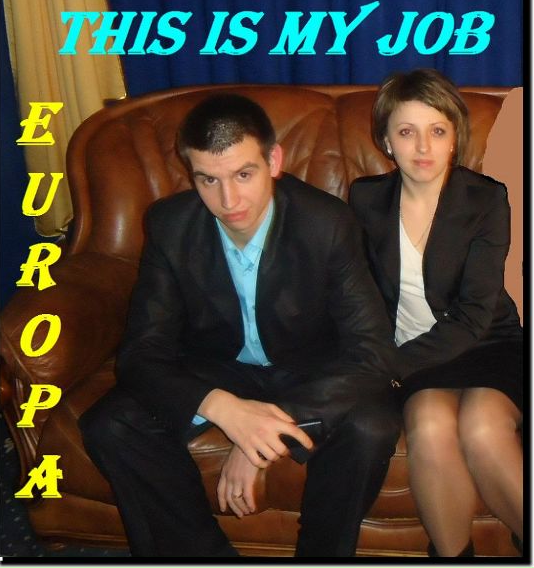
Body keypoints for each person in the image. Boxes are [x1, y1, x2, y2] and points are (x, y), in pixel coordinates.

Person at [79, 93, 401, 558]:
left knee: (372, 426)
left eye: (243, 175)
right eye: (208, 179)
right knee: (110, 425)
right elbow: (142, 353)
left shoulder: (327, 223)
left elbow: (372, 353)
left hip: (310, 369)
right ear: (191, 173)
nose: (228, 200)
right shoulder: (170, 225)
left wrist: (261, 433)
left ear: (274, 161)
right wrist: (224, 409)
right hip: (217, 367)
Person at [349, 69, 523, 557]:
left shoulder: (486, 198)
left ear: (454, 138)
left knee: (483, 429)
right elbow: (356, 295)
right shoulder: (365, 199)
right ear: (387, 140)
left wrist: (388, 367)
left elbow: (474, 315)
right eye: (407, 131)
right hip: (415, 355)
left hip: (488, 343)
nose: (423, 147)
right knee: (428, 426)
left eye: (437, 130)